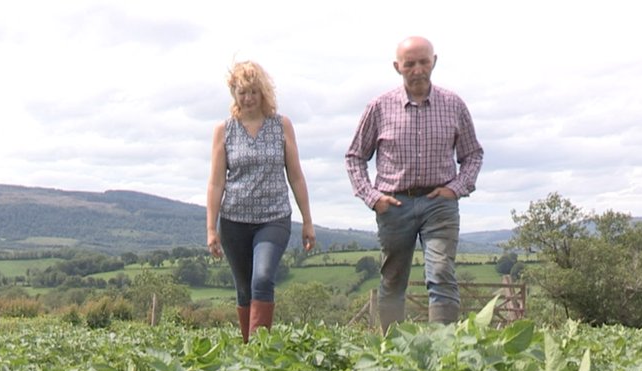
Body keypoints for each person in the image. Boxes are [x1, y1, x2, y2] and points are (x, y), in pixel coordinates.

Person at [346, 36, 483, 332]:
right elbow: (355, 156)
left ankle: (443, 351)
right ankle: (392, 349)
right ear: (398, 67)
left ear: (434, 61)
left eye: (423, 61)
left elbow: (472, 155)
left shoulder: (454, 105)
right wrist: (373, 198)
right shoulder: (379, 107)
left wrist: (456, 189)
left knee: (442, 273)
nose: (418, 69)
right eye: (410, 64)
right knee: (393, 279)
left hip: (440, 204)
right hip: (394, 204)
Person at [206, 60, 315, 343]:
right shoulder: (225, 130)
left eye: (253, 91)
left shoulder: (281, 126)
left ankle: (260, 354)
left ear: (263, 92)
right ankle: (248, 352)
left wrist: (308, 221)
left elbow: (296, 176)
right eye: (242, 92)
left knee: (262, 279)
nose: (248, 98)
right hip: (234, 222)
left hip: (273, 217)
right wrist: (211, 229)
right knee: (244, 289)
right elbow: (216, 183)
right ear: (234, 94)